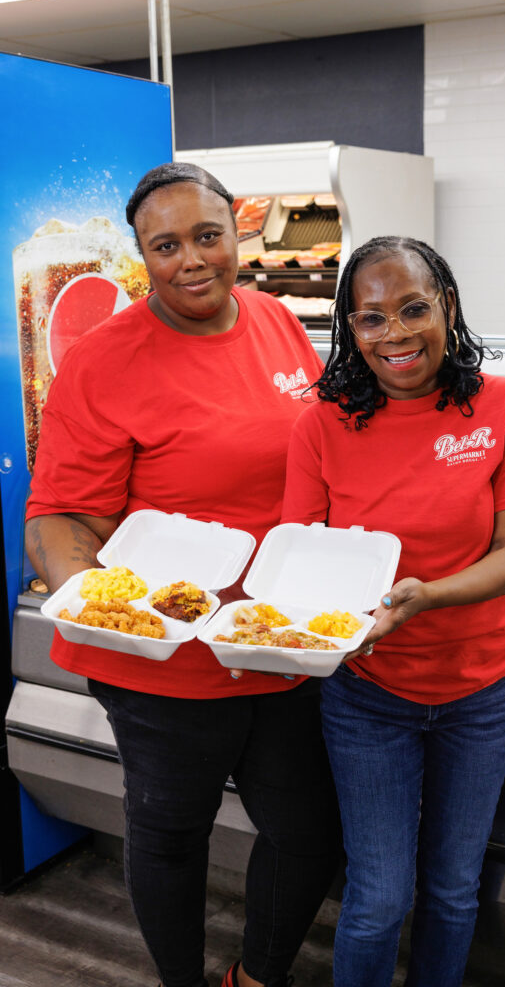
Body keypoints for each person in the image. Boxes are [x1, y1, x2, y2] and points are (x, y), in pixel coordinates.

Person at [24, 162, 341, 987]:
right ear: (142, 256)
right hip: (166, 666)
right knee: (170, 833)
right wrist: (102, 602)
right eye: (165, 246)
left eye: (207, 235)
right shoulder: (104, 361)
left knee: (307, 830)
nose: (191, 260)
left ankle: (257, 975)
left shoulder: (276, 321)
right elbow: (58, 515)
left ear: (237, 229)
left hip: (277, 640)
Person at [281, 236, 505, 987]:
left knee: (451, 890)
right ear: (349, 329)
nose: (396, 334)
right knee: (377, 899)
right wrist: (324, 627)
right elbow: (301, 556)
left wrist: (426, 595)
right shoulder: (320, 422)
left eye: (413, 309)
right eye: (371, 319)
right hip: (369, 695)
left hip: (484, 691)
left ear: (446, 305)